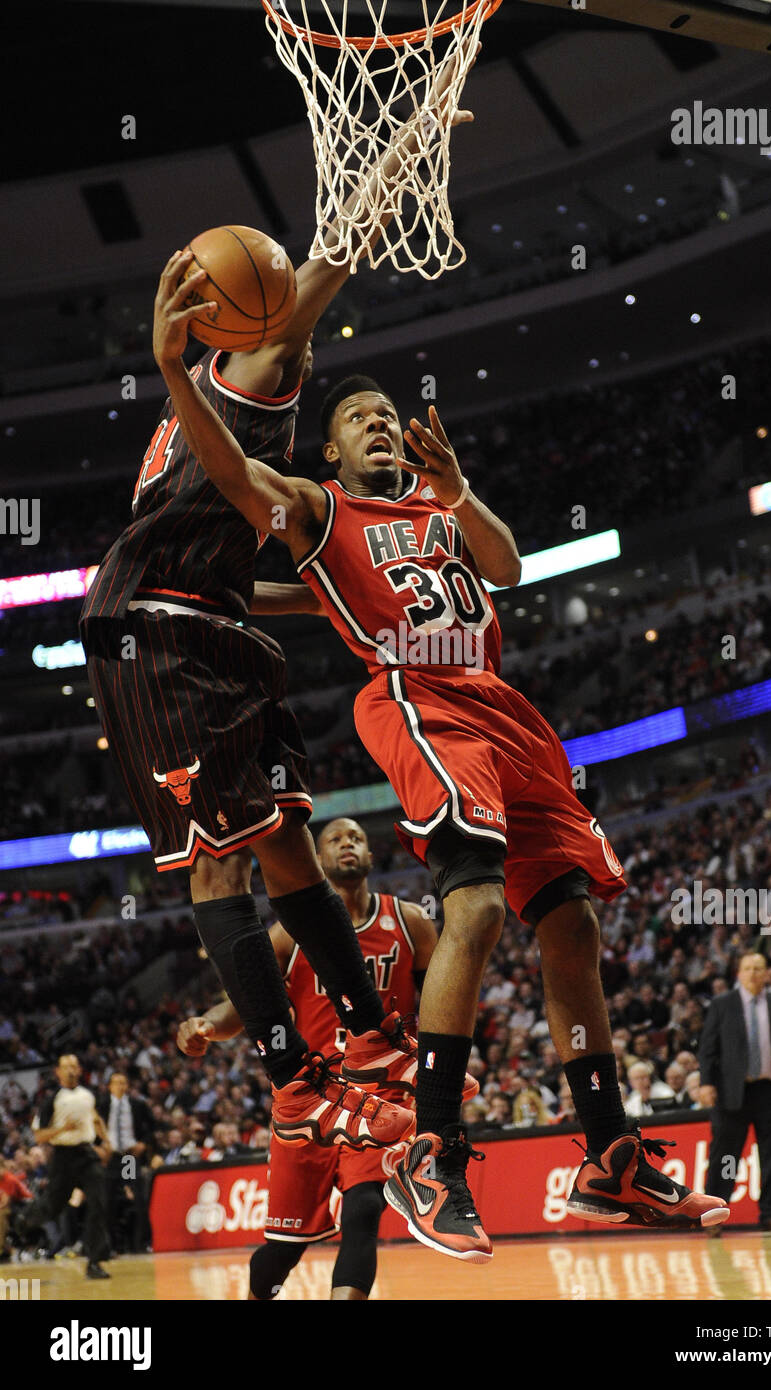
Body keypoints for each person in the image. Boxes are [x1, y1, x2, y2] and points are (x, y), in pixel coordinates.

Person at [152, 288, 730, 1260]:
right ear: (329, 450)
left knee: (571, 922)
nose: (379, 423)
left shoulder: (436, 503)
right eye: (357, 419)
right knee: (475, 910)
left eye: (386, 414)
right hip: (416, 697)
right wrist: (184, 379)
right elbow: (241, 473)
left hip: (502, 706)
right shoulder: (319, 507)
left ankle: (606, 1155)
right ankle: (431, 1147)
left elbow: (502, 566)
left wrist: (458, 488)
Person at [76, 102, 480, 1157]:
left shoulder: (240, 376)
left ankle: (369, 1033)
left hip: (213, 623)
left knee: (290, 842)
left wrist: (407, 143)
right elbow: (335, 256)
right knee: (224, 862)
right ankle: (296, 1082)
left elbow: (334, 251)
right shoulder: (237, 372)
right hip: (153, 626)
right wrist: (409, 140)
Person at [178, 817, 455, 1300]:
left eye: (357, 837)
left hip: (379, 1096)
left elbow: (439, 1011)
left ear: (370, 856)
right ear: (314, 859)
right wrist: (206, 1024)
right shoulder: (288, 936)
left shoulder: (410, 921)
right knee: (285, 1245)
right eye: (335, 838)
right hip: (311, 1095)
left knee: (364, 1208)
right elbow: (245, 1004)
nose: (348, 843)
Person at [698, 953, 771, 1233]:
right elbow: (707, 1049)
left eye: (759, 968)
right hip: (732, 1091)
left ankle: (770, 1213)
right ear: (738, 974)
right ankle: (715, 1216)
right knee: (726, 1157)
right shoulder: (722, 1005)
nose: (754, 973)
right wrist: (706, 1083)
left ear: (767, 973)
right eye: (748, 968)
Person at [30, 1055, 112, 1279]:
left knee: (98, 1203)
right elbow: (39, 1136)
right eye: (66, 1067)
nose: (71, 1070)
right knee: (52, 1207)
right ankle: (23, 1223)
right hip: (63, 1157)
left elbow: (95, 1119)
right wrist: (62, 1128)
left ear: (80, 1069)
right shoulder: (51, 1100)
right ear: (57, 1072)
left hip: (86, 1152)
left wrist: (105, 1141)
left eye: (74, 1066)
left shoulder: (88, 1094)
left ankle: (95, 1262)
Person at [96, 1072, 155, 1253]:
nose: (120, 1086)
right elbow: (92, 1129)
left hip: (128, 1157)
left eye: (123, 1083)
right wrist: (99, 1147)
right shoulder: (102, 1106)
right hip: (111, 1157)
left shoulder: (137, 1105)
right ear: (110, 1086)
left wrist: (143, 1143)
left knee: (138, 1199)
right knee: (108, 1201)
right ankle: (111, 1245)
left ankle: (141, 1244)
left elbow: (152, 1126)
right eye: (116, 1083)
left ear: (127, 1086)